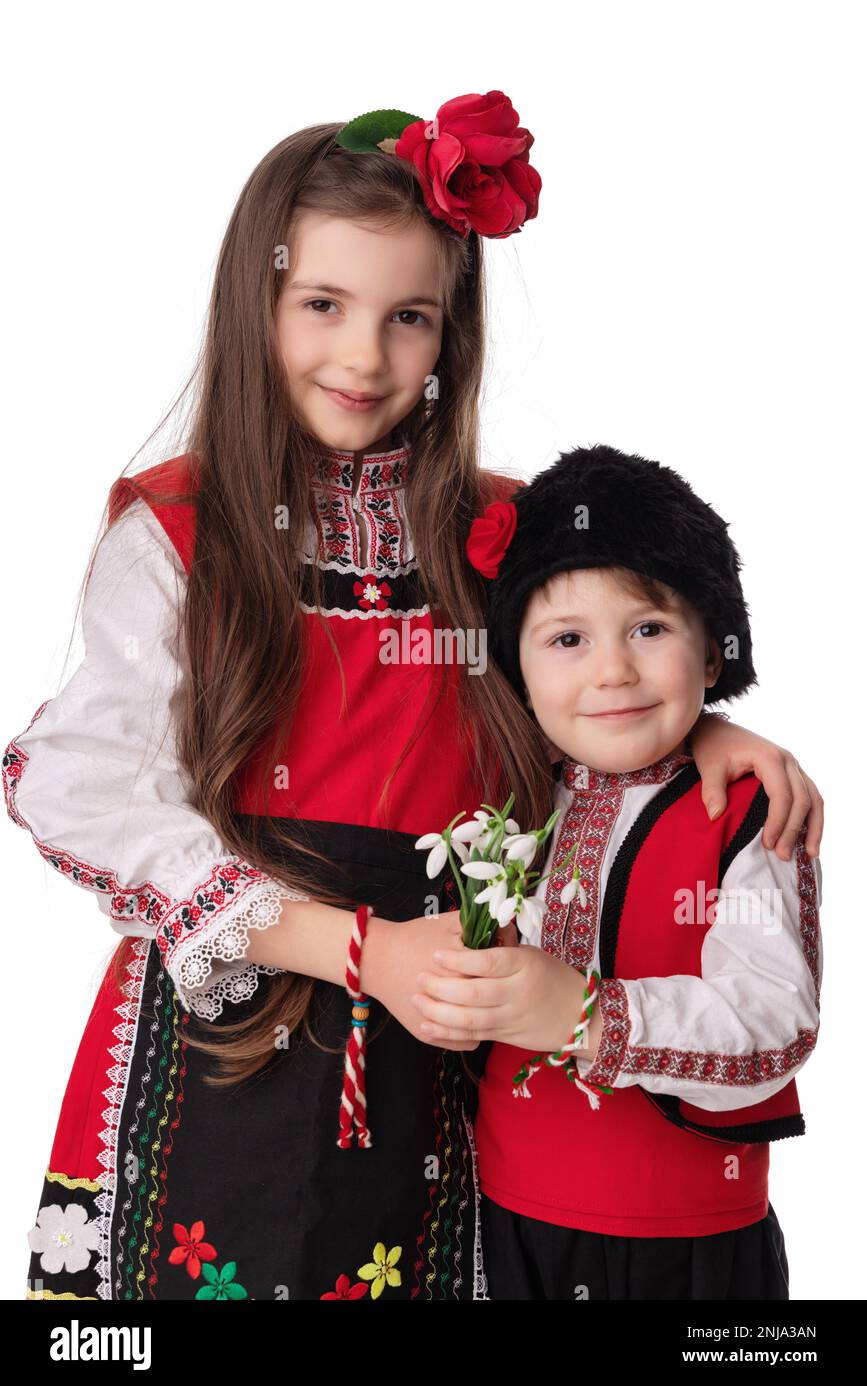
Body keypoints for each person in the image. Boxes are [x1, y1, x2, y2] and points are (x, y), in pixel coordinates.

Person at [5, 92, 821, 1301]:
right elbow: (82, 791)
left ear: (453, 336)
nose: (364, 357)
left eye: (410, 318)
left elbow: (608, 665)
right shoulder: (182, 531)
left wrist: (702, 723)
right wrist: (355, 948)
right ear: (257, 303)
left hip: (450, 1033)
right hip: (228, 1030)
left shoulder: (504, 528)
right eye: (322, 305)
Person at [415, 443, 823, 1299]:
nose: (612, 670)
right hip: (504, 1221)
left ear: (711, 654)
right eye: (567, 638)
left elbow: (774, 1024)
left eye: (649, 629)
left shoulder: (747, 810)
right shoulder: (506, 801)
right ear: (516, 674)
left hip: (686, 1246)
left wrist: (587, 1015)